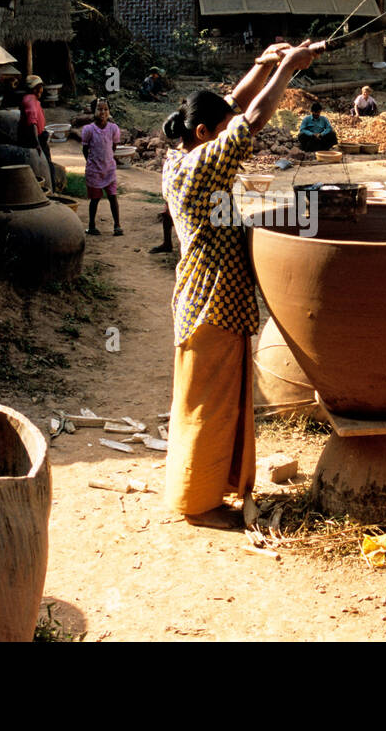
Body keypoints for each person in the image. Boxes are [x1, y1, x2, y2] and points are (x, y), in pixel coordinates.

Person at [162, 40, 321, 528]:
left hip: (214, 301)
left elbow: (233, 107)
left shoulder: (182, 154)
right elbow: (249, 120)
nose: (226, 129)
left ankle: (216, 488)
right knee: (207, 407)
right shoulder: (197, 168)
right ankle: (197, 502)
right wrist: (289, 70)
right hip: (211, 303)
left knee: (221, 404)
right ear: (205, 134)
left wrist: (261, 64)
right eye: (218, 129)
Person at [81, 99, 123, 236]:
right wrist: (91, 163)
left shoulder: (113, 129)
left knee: (112, 197)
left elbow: (113, 147)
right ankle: (91, 225)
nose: (103, 112)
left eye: (105, 109)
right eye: (99, 109)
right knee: (95, 199)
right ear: (93, 111)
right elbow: (85, 149)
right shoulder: (88, 130)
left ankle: (117, 225)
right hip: (94, 171)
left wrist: (108, 160)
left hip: (109, 169)